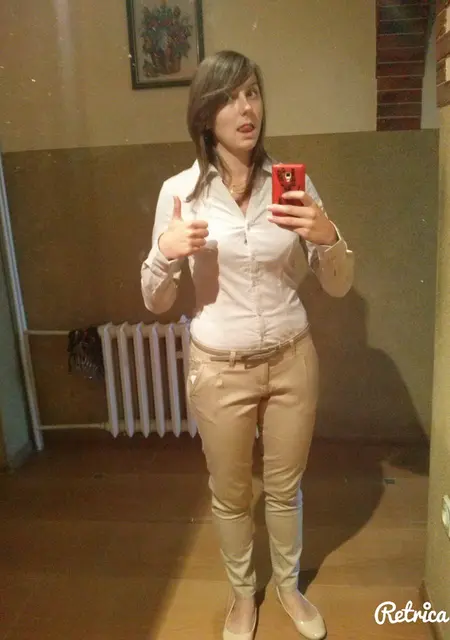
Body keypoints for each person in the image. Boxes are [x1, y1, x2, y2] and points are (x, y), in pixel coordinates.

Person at [140, 50, 354, 640]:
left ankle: (287, 586)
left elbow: (339, 285)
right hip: (219, 369)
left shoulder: (292, 183)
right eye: (231, 97)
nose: (246, 108)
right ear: (206, 114)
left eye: (253, 93)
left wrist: (327, 235)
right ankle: (242, 596)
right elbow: (156, 301)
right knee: (232, 495)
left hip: (291, 360)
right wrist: (165, 252)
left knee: (284, 490)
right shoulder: (180, 193)